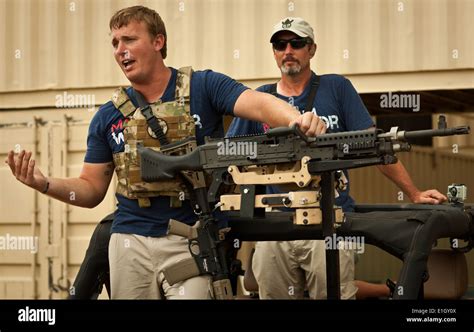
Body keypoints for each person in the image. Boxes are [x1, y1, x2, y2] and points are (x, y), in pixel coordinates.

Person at [5, 6, 325, 300]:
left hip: (191, 240)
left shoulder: (203, 87)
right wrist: (43, 183)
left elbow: (256, 103)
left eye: (129, 39)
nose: (120, 50)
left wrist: (296, 119)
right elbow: (89, 190)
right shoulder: (108, 116)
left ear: (158, 41)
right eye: (115, 42)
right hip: (129, 241)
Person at [227, 17, 447, 299]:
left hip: (330, 220)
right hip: (275, 226)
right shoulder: (261, 98)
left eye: (296, 43)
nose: (288, 50)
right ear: (273, 52)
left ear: (312, 49)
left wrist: (413, 193)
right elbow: (229, 153)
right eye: (280, 44)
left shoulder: (336, 88)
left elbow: (376, 148)